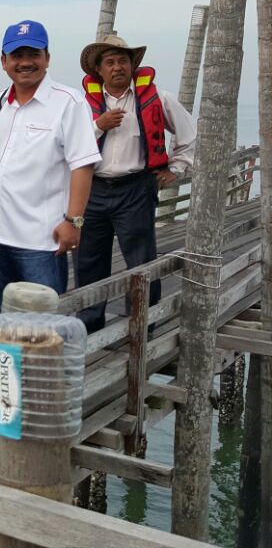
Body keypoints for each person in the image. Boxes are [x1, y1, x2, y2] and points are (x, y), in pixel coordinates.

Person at [0, 20, 100, 312]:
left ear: (47, 58)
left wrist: (74, 221)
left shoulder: (69, 102)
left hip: (42, 239)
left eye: (33, 54)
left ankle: (40, 360)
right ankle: (9, 361)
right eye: (17, 55)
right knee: (4, 316)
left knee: (44, 320)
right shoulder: (1, 100)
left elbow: (83, 166)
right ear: (4, 61)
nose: (25, 62)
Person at [74, 34, 196, 332]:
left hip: (136, 188)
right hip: (92, 189)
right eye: (110, 62)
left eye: (123, 61)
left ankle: (142, 327)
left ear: (132, 66)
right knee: (88, 261)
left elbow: (190, 134)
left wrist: (175, 170)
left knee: (142, 263)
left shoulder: (158, 98)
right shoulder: (80, 105)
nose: (117, 67)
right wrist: (97, 126)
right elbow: (68, 145)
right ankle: (89, 325)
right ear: (98, 70)